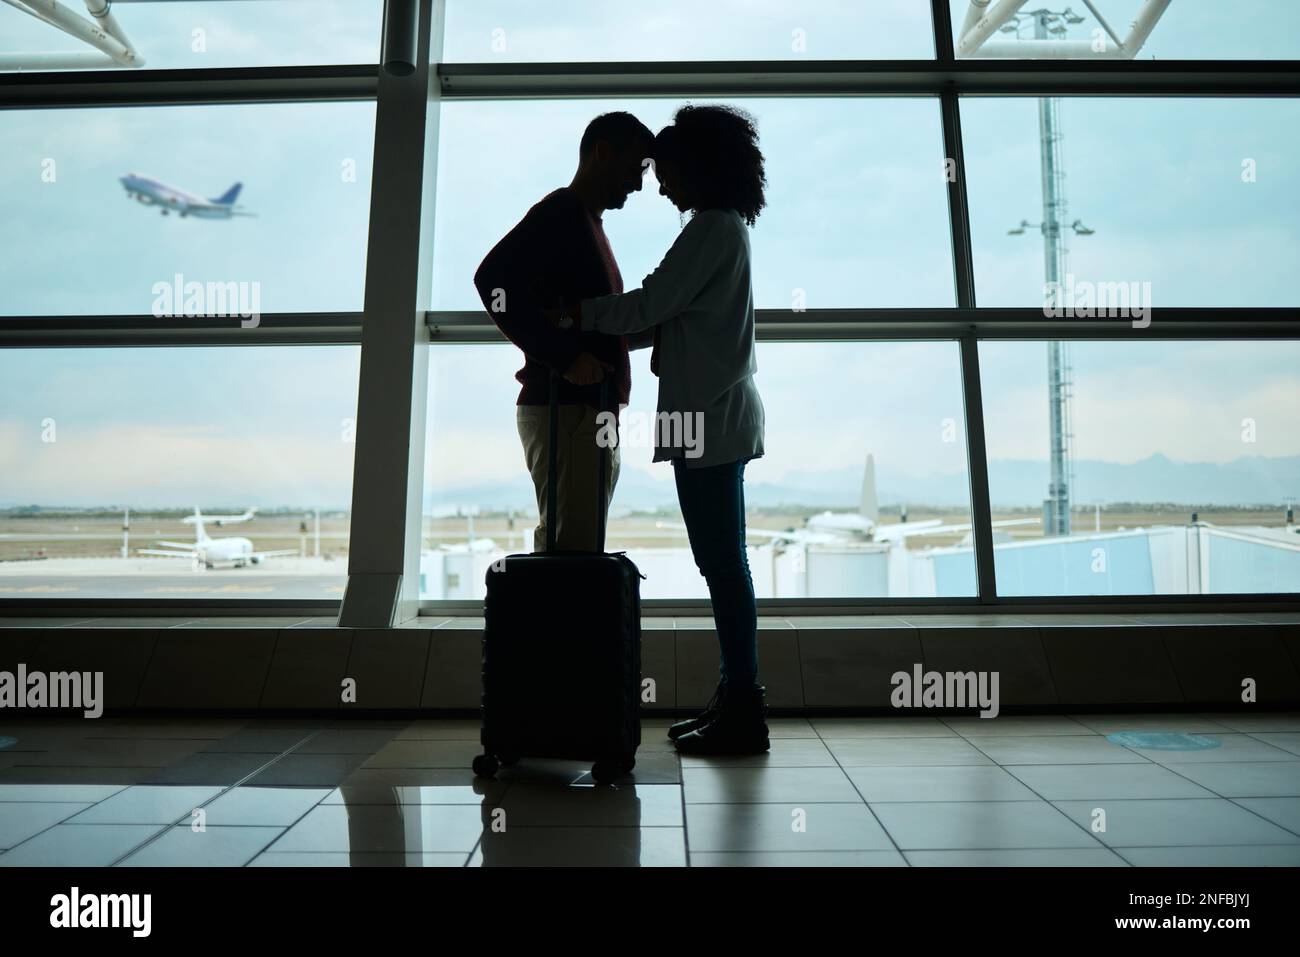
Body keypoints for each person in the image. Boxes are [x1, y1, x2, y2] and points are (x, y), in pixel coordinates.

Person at [556, 104, 769, 755]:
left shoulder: (710, 228)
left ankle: (743, 707)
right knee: (721, 564)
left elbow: (649, 303)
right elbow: (664, 314)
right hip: (708, 415)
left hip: (706, 419)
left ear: (695, 168)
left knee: (722, 565)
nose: (659, 184)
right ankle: (736, 697)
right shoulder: (723, 229)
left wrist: (571, 314)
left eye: (665, 170)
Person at [473, 111, 655, 552]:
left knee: (572, 547)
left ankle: (558, 622)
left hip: (585, 409)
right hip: (566, 408)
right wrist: (564, 358)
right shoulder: (561, 213)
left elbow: (588, 321)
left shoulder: (587, 224)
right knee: (571, 554)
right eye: (635, 169)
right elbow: (491, 280)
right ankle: (560, 624)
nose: (639, 183)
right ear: (603, 153)